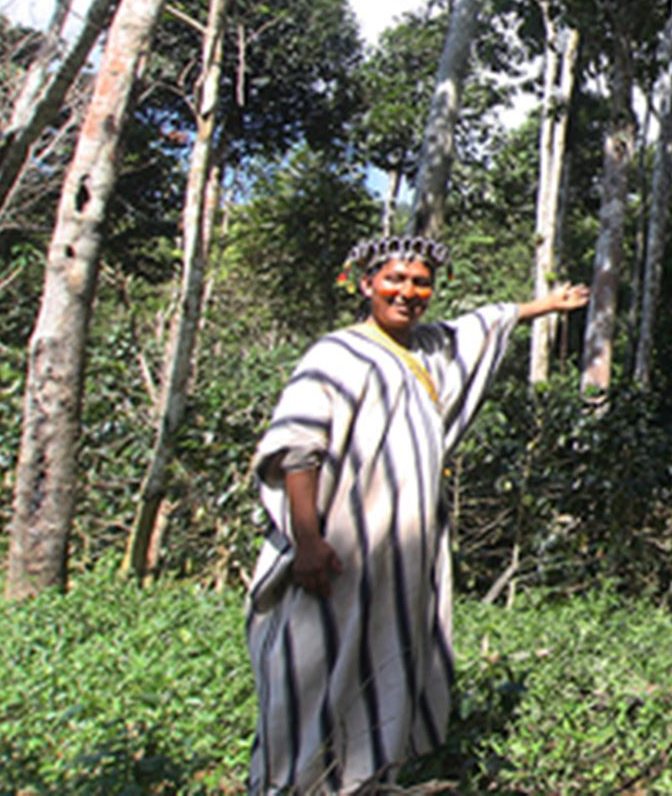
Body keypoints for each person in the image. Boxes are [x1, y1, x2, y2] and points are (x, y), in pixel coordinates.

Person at [246, 233, 588, 795]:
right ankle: (292, 783)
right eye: (395, 280)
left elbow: (483, 324)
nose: (408, 293)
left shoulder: (429, 350)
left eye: (420, 282)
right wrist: (306, 540)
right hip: (335, 548)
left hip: (400, 557)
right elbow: (295, 449)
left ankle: (365, 781)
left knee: (384, 658)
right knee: (311, 665)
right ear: (366, 285)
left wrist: (545, 307)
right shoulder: (335, 354)